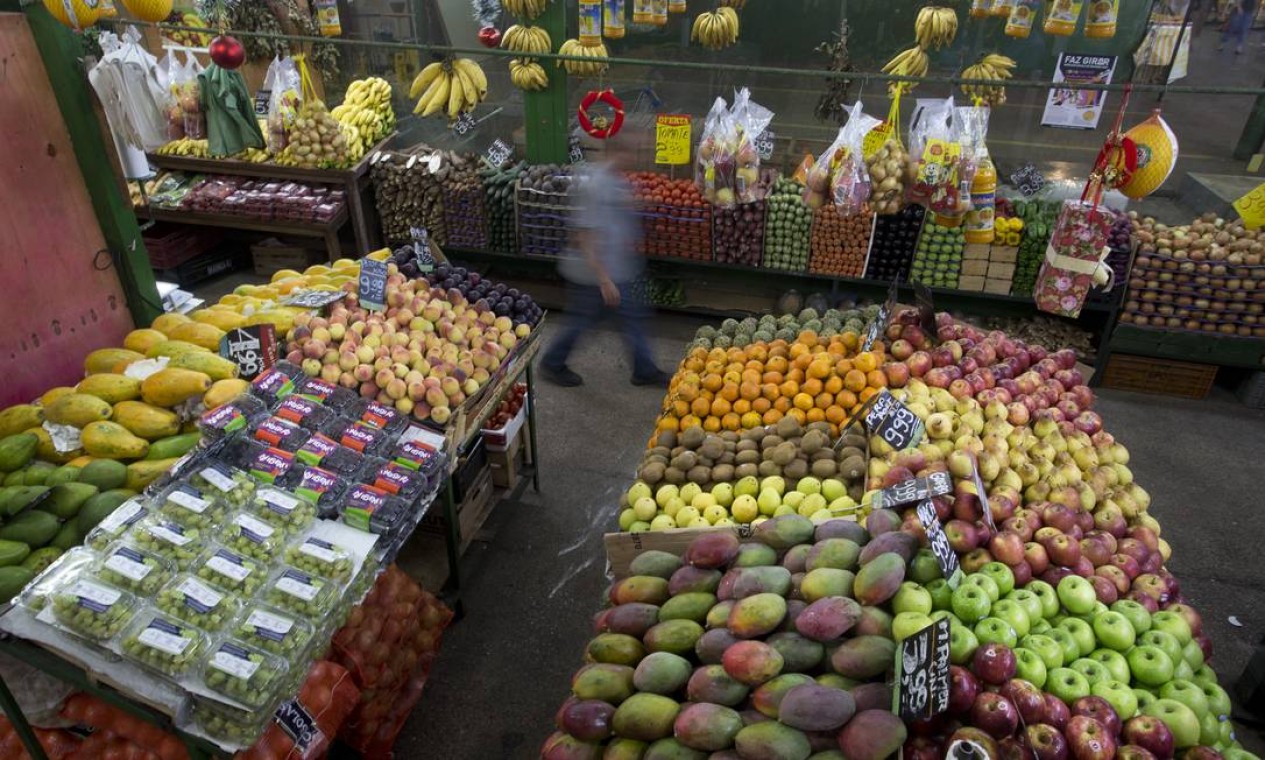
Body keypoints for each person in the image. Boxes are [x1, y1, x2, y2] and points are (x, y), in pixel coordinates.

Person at [540, 137, 670, 388]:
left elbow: (615, 208)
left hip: (618, 268)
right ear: (615, 151)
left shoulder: (614, 178)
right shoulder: (596, 184)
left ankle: (644, 369)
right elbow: (585, 236)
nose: (634, 158)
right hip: (594, 272)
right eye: (631, 152)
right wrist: (604, 280)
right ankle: (552, 363)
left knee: (631, 315)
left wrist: (640, 203)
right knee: (582, 319)